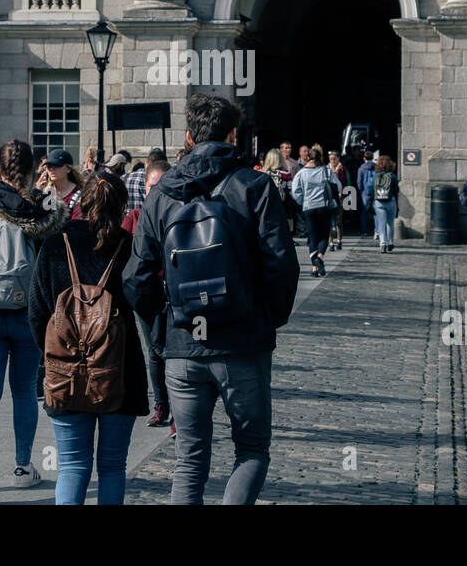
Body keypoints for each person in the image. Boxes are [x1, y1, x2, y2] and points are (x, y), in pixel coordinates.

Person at [124, 93, 300, 505]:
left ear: (188, 137)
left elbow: (135, 277)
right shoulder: (254, 185)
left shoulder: (162, 192)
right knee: (252, 450)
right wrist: (266, 318)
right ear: (234, 135)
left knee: (189, 459)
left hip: (184, 343)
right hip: (242, 341)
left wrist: (165, 325)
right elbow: (282, 266)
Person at [0, 140, 68, 505]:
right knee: (23, 391)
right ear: (35, 165)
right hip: (27, 313)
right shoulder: (41, 207)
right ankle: (22, 467)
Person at [29, 171, 147, 505]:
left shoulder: (55, 244)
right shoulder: (129, 248)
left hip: (65, 376)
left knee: (72, 466)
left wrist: (59, 356)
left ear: (82, 202)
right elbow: (148, 304)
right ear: (123, 206)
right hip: (119, 371)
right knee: (112, 467)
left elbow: (38, 315)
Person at [122, 159, 171, 429]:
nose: (159, 191)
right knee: (154, 350)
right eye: (154, 186)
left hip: (174, 293)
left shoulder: (178, 213)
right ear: (144, 187)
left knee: (175, 353)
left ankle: (180, 413)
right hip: (146, 294)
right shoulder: (135, 218)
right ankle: (161, 405)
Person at [291, 145, 341, 277]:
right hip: (324, 207)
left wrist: (303, 202)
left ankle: (314, 268)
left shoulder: (301, 173)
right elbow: (339, 186)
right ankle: (319, 257)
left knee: (312, 237)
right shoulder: (326, 171)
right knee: (324, 235)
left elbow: (295, 191)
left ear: (308, 158)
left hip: (309, 207)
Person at [40, 148, 83, 215]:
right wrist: (38, 195)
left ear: (68, 169)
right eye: (49, 166)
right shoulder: (45, 192)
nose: (51, 169)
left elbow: (76, 223)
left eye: (56, 165)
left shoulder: (78, 195)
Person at [372, 155, 399, 253]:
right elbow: (397, 190)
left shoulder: (376, 176)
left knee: (381, 223)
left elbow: (371, 189)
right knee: (390, 223)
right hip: (390, 201)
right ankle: (390, 242)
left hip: (379, 202)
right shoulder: (392, 176)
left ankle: (382, 243)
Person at [279, 141, 302, 236]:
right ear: (281, 149)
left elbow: (298, 176)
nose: (288, 150)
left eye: (290, 148)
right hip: (280, 190)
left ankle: (291, 233)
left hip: (290, 190)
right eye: (286, 148)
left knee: (291, 214)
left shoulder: (294, 163)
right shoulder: (278, 162)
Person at [327, 150, 348, 251]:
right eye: (331, 159)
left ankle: (339, 241)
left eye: (334, 159)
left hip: (340, 197)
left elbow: (346, 183)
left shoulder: (343, 169)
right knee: (329, 221)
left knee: (339, 221)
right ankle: (330, 242)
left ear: (338, 158)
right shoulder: (326, 169)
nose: (332, 161)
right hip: (329, 197)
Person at [357, 150, 377, 240]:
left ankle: (364, 232)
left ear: (364, 158)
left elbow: (359, 182)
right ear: (372, 158)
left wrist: (361, 191)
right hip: (376, 192)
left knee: (364, 213)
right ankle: (377, 231)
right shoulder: (376, 167)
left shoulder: (361, 168)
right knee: (375, 212)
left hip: (365, 192)